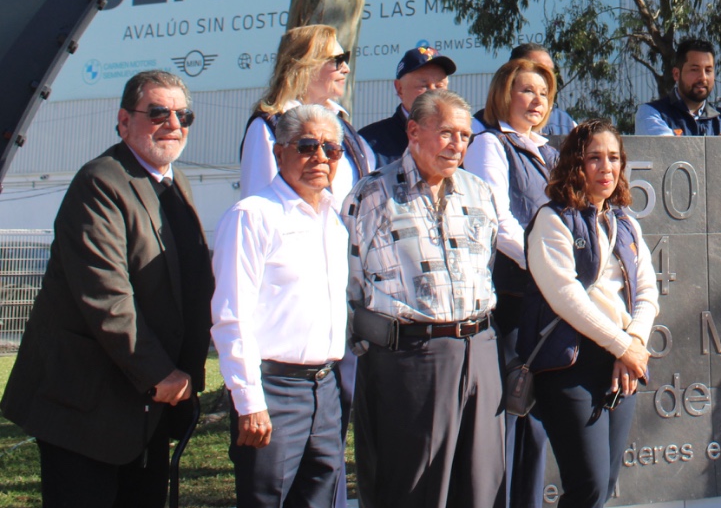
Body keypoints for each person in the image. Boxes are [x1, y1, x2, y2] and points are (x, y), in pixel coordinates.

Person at [2, 71, 212, 508]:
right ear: (123, 121)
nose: (173, 123)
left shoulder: (176, 185)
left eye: (183, 114)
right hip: (83, 408)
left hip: (145, 410)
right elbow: (106, 296)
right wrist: (159, 373)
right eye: (157, 113)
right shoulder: (101, 182)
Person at [344, 89, 504, 508]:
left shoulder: (479, 192)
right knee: (413, 489)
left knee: (480, 483)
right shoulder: (372, 195)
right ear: (413, 131)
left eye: (465, 136)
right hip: (410, 358)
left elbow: (486, 265)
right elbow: (351, 283)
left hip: (480, 350)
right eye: (447, 133)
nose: (457, 145)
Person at [212, 104, 351, 508]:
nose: (320, 157)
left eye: (332, 149)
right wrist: (249, 402)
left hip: (325, 390)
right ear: (279, 153)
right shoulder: (252, 217)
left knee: (320, 500)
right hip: (273, 391)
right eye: (307, 146)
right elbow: (230, 317)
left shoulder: (334, 221)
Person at [523, 120, 660, 508]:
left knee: (606, 483)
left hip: (621, 363)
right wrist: (621, 345)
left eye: (613, 158)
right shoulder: (552, 220)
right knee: (589, 486)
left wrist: (631, 345)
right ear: (575, 164)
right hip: (571, 365)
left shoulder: (626, 223)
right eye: (594, 158)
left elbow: (647, 293)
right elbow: (565, 296)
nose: (606, 168)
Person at [464, 57, 559, 508]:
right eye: (526, 90)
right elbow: (497, 223)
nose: (536, 100)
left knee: (537, 425)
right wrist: (545, 267)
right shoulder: (489, 145)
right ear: (504, 94)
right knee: (509, 419)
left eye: (543, 93)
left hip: (550, 305)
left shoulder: (550, 152)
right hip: (514, 301)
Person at [241, 24, 377, 201]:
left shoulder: (343, 126)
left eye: (346, 59)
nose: (346, 69)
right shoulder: (268, 126)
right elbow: (257, 201)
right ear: (306, 65)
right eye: (338, 60)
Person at [634, 38, 721, 136]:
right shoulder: (651, 113)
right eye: (695, 70)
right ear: (676, 74)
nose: (703, 77)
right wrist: (720, 146)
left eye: (708, 70)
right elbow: (669, 154)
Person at [360, 46, 456, 166]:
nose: (433, 93)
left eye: (439, 86)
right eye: (424, 85)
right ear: (399, 88)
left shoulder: (460, 140)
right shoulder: (370, 142)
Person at [507, 43, 578, 137]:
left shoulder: (565, 123)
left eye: (551, 72)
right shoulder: (486, 128)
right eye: (539, 70)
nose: (548, 77)